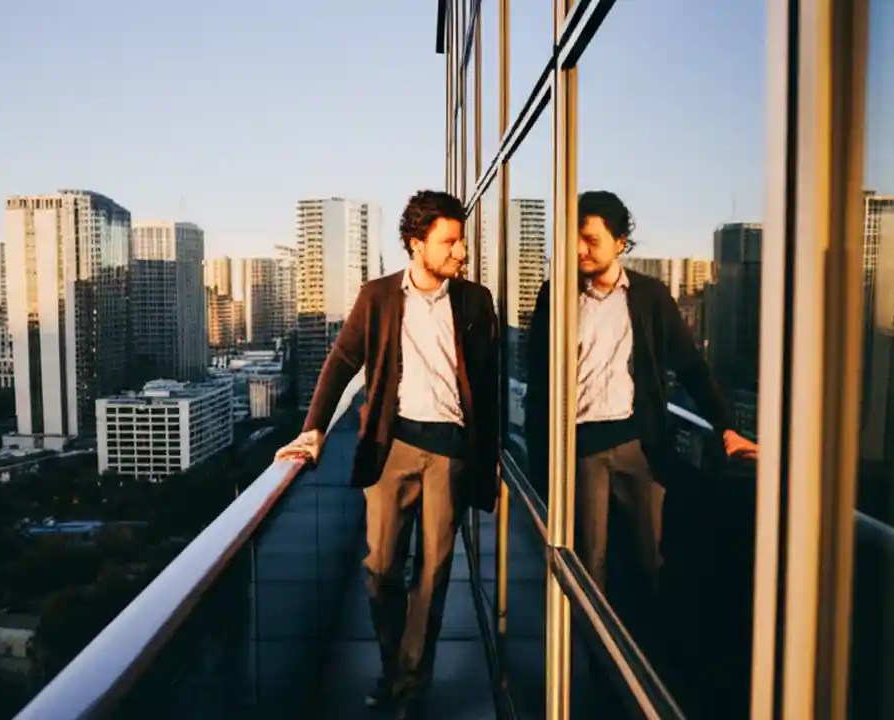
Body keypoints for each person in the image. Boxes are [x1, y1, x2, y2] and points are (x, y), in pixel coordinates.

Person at [276, 190, 498, 720]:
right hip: (391, 447)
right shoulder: (377, 296)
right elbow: (343, 359)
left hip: (450, 452)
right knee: (380, 568)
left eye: (462, 240)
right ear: (415, 244)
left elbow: (488, 387)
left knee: (435, 572)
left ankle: (408, 683)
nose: (460, 252)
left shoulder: (475, 301)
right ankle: (396, 665)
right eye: (449, 241)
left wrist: (486, 461)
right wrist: (313, 430)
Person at [527, 190, 758, 605]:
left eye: (592, 240)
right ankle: (596, 665)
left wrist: (726, 426)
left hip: (640, 445)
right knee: (588, 566)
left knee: (647, 559)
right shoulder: (555, 294)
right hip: (579, 449)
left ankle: (646, 655)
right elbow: (538, 377)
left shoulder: (649, 296)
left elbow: (691, 365)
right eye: (575, 239)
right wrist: (538, 457)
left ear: (620, 243)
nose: (580, 250)